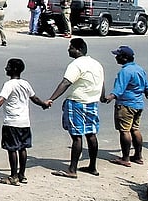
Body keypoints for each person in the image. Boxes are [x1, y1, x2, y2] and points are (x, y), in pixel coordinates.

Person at [44, 37, 105, 179]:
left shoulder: (76, 64)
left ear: (78, 50)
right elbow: (101, 83)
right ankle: (92, 166)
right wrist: (102, 97)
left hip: (77, 102)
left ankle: (72, 169)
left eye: (70, 48)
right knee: (91, 134)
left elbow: (66, 83)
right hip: (92, 102)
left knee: (76, 137)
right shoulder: (96, 64)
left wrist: (51, 99)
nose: (68, 50)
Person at [0, 58, 46, 185]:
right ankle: (22, 175)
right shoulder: (25, 83)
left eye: (8, 66)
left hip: (12, 122)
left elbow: (1, 100)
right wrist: (44, 104)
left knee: (12, 149)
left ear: (14, 69)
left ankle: (13, 176)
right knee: (22, 148)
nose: (6, 68)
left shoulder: (9, 84)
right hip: (25, 122)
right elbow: (35, 98)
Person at [102, 46, 148, 167]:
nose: (116, 57)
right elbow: (146, 86)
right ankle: (138, 156)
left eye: (118, 55)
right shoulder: (139, 69)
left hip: (126, 105)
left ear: (125, 57)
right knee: (135, 129)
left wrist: (109, 97)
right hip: (138, 104)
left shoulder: (125, 71)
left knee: (124, 131)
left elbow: (119, 88)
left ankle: (125, 158)